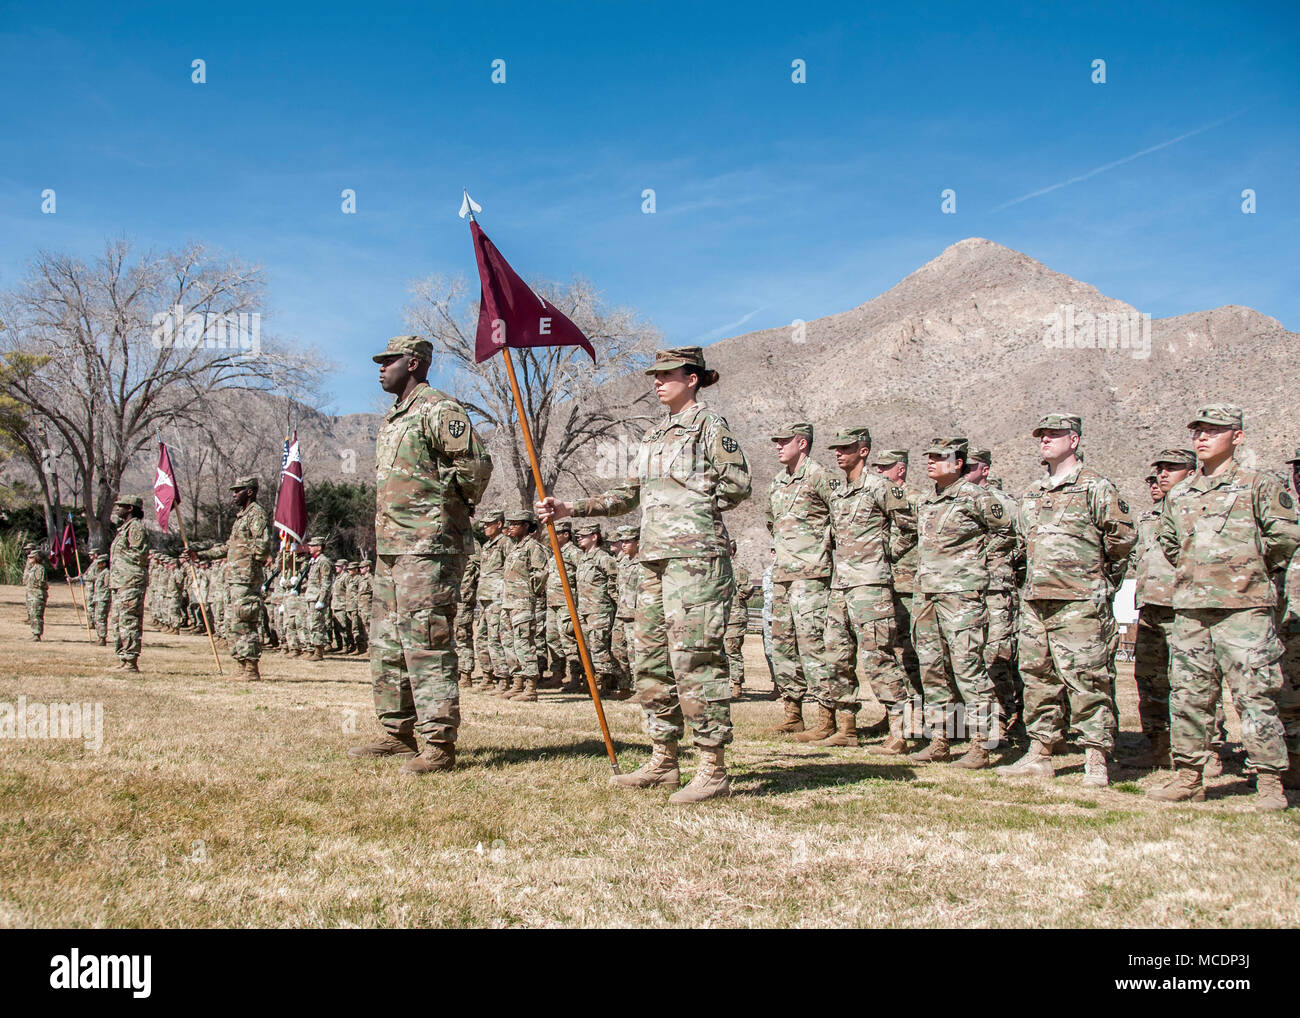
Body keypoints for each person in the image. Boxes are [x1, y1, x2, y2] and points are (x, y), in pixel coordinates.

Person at [538, 346, 751, 803]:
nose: (657, 382)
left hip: (696, 560)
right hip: (653, 561)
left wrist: (691, 503)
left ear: (692, 378)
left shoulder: (709, 426)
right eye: (655, 375)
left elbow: (738, 484)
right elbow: (627, 493)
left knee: (695, 659)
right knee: (650, 660)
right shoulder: (654, 434)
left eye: (667, 374)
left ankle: (713, 768)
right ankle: (664, 759)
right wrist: (573, 508)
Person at [349, 335, 492, 773]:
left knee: (427, 642)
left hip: (429, 547)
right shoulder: (394, 418)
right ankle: (397, 733)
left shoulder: (439, 409)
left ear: (413, 363)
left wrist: (449, 507)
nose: (380, 367)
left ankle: (439, 745)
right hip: (392, 549)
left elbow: (477, 467)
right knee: (388, 644)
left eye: (387, 360)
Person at [1148, 405, 1299, 810]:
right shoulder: (1180, 494)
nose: (1202, 437)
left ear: (1237, 436)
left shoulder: (1258, 486)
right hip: (1192, 610)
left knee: (1255, 694)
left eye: (1213, 430)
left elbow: (1284, 537)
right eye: (1198, 430)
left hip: (1244, 608)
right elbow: (1168, 542)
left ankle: (1269, 781)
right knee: (1189, 696)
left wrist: (1243, 566)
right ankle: (1188, 776)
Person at [999, 414, 1136, 787]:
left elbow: (1121, 539)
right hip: (1037, 599)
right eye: (1041, 434)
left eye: (1054, 434)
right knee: (1037, 676)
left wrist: (1099, 580)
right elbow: (1023, 543)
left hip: (1080, 601)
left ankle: (1095, 756)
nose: (1045, 440)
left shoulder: (1096, 488)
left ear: (1073, 440)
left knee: (1088, 678)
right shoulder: (1033, 492)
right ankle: (1041, 751)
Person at [910, 438, 1012, 767]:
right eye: (929, 456)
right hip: (926, 594)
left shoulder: (974, 496)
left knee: (968, 669)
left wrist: (976, 565)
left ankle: (982, 745)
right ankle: (940, 739)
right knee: (933, 670)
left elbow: (1006, 532)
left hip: (962, 596)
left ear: (957, 463)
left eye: (939, 457)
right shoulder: (928, 500)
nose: (931, 461)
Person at [822, 426, 914, 751]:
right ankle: (847, 727)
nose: (838, 453)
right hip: (840, 586)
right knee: (836, 655)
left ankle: (900, 730)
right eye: (836, 447)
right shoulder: (837, 494)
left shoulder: (880, 487)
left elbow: (909, 525)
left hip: (871, 587)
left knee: (877, 657)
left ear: (863, 451)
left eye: (845, 447)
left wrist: (886, 553)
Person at [1125, 449, 1196, 769]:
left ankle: (1205, 750)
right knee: (1149, 680)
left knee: (1191, 682)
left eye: (1171, 469)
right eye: (1159, 470)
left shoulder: (1196, 508)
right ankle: (1157, 745)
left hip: (1185, 607)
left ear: (1191, 473)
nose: (1163, 475)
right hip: (1151, 607)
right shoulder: (1150, 516)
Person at [766, 421, 837, 738]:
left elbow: (841, 518)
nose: (779, 446)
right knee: (783, 648)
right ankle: (793, 713)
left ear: (802, 443)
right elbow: (772, 521)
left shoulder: (820, 476)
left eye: (784, 441)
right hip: (783, 574)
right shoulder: (777, 482)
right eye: (777, 442)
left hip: (812, 577)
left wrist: (818, 552)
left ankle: (827, 717)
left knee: (814, 647)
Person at [966, 449, 1026, 743]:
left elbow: (1020, 542)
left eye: (971, 466)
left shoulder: (1003, 503)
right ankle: (979, 723)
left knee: (998, 656)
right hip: (969, 590)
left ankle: (1006, 719)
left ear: (985, 470)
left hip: (996, 589)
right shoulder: (959, 499)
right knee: (973, 656)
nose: (964, 470)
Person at [195, 477, 272, 678]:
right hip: (233, 579)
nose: (233, 494)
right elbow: (229, 548)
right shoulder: (241, 517)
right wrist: (201, 554)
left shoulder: (256, 514)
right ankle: (241, 661)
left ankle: (251, 667)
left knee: (245, 621)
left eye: (238, 490)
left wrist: (249, 565)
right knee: (233, 623)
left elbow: (262, 546)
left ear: (250, 491)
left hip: (246, 578)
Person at [873, 449, 923, 733]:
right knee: (890, 652)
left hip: (909, 584)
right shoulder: (880, 497)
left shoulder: (913, 498)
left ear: (900, 470)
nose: (880, 473)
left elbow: (913, 530)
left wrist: (889, 552)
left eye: (886, 468)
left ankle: (924, 716)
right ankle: (895, 715)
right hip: (887, 584)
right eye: (877, 468)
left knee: (912, 653)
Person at [498, 509, 548, 702]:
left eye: (515, 524)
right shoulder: (515, 547)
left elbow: (541, 573)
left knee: (524, 643)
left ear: (526, 526)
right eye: (510, 523)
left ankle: (531, 687)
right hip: (508, 602)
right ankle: (517, 681)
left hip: (522, 603)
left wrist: (531, 592)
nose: (510, 527)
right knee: (509, 643)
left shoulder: (533, 547)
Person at [574, 521, 625, 698]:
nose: (579, 537)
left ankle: (613, 680)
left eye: (583, 535)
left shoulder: (603, 558)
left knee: (599, 648)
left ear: (594, 537)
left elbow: (615, 581)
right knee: (587, 648)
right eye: (578, 535)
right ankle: (597, 681)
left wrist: (615, 601)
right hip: (584, 610)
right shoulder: (583, 558)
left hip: (599, 610)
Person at [108, 495, 149, 672]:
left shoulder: (136, 528)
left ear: (130, 508)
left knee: (129, 621)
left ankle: (131, 660)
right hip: (120, 582)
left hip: (130, 582)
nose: (117, 509)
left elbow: (139, 555)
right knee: (118, 622)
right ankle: (123, 658)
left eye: (121, 506)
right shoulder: (123, 529)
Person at [544, 520, 582, 690]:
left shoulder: (573, 552)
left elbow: (582, 575)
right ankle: (557, 674)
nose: (552, 536)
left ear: (566, 535)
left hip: (567, 603)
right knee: (552, 639)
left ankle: (576, 677)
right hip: (553, 603)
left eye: (556, 533)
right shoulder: (555, 553)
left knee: (569, 640)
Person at [473, 511, 509, 692]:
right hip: (485, 597)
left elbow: (511, 569)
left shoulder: (505, 543)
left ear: (500, 524)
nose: (485, 527)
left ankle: (503, 678)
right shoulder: (487, 545)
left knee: (496, 638)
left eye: (489, 524)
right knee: (481, 638)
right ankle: (487, 676)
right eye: (484, 524)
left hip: (497, 598)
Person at [611, 525, 642, 696]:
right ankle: (623, 687)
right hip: (621, 613)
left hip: (636, 615)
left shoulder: (644, 562)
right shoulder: (622, 562)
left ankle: (639, 690)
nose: (623, 545)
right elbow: (616, 586)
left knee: (635, 653)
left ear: (638, 542)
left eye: (628, 541)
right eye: (622, 541)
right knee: (618, 650)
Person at [723, 539, 753, 699]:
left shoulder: (738, 570)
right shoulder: (718, 569)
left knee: (732, 652)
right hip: (718, 618)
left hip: (734, 618)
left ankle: (736, 685)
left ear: (732, 551)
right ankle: (722, 686)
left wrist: (732, 598)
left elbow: (747, 590)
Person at [303, 537, 333, 660]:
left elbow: (326, 582)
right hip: (311, 596)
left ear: (319, 547)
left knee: (317, 624)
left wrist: (322, 599)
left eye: (312, 545)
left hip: (317, 598)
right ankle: (312, 648)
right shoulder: (313, 561)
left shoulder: (323, 561)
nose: (309, 547)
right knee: (310, 623)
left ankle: (318, 651)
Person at [23, 546, 48, 641]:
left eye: (31, 557)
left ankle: (37, 634)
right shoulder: (32, 568)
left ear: (36, 558)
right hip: (31, 594)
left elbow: (40, 582)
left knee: (36, 614)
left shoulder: (39, 568)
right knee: (33, 614)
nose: (29, 559)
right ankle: (34, 633)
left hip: (37, 595)